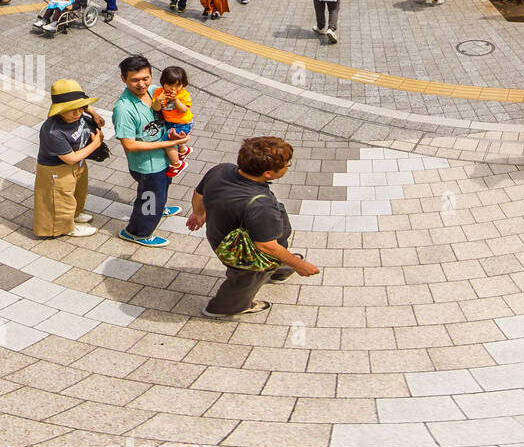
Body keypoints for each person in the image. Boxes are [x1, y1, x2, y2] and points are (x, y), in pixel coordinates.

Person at [190, 136, 321, 318]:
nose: (287, 167)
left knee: (279, 254)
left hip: (220, 232)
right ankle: (224, 308)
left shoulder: (221, 170)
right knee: (245, 280)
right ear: (267, 173)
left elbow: (199, 193)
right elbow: (266, 246)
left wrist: (198, 213)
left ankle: (279, 271)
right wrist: (299, 265)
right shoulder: (261, 206)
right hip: (242, 253)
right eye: (286, 165)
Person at [108, 56, 181, 246]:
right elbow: (129, 144)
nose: (142, 84)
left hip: (163, 159)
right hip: (147, 166)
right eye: (135, 80)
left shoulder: (153, 91)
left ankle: (160, 206)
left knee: (162, 188)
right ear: (123, 79)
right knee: (149, 201)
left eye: (146, 78)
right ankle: (137, 232)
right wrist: (165, 145)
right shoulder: (124, 109)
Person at [32, 80, 105, 237]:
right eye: (71, 110)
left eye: (80, 108)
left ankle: (75, 215)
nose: (77, 114)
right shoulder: (53, 132)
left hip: (79, 163)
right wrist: (96, 143)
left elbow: (84, 105)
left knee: (79, 191)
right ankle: (66, 228)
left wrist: (94, 114)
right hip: (57, 169)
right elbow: (70, 159)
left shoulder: (77, 112)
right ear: (59, 110)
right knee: (60, 200)